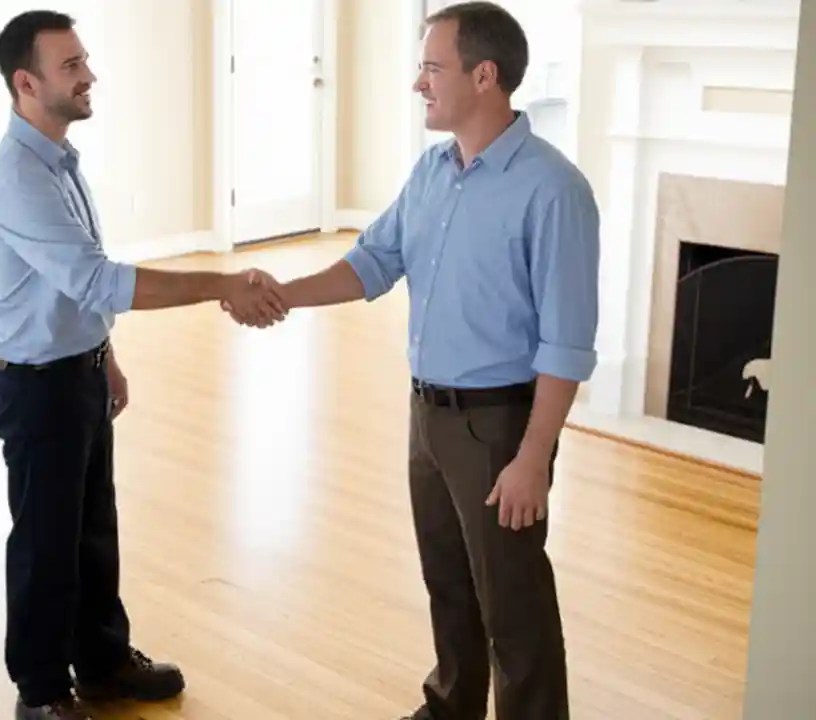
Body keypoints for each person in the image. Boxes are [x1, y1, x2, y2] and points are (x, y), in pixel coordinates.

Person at [225, 3, 598, 718]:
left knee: (513, 603)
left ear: (484, 76)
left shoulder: (554, 190)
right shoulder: (432, 171)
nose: (418, 83)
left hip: (498, 427)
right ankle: (452, 707)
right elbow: (373, 262)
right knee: (448, 582)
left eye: (432, 67)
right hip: (427, 413)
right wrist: (281, 295)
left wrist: (532, 458)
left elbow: (568, 342)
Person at [0, 10, 285, 720]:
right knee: (46, 543)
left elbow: (75, 288)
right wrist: (222, 283)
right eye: (71, 66)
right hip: (36, 388)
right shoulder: (19, 178)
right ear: (26, 83)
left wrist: (103, 357)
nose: (89, 75)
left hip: (76, 372)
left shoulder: (60, 162)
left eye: (84, 60)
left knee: (93, 530)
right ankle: (41, 694)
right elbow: (98, 281)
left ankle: (103, 662)